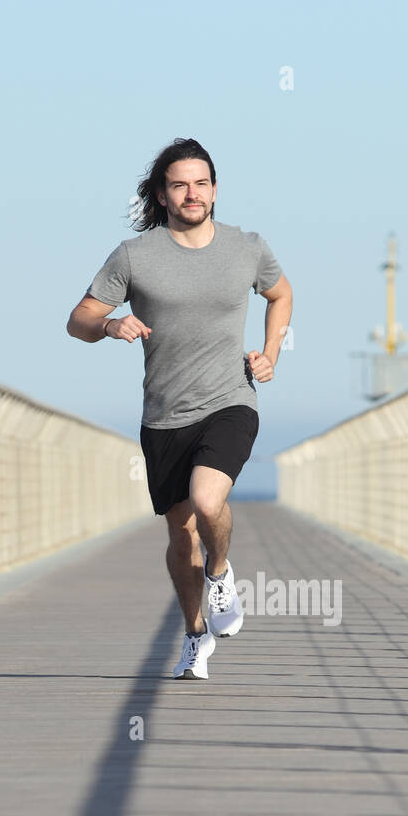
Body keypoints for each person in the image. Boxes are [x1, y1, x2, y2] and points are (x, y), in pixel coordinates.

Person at [66, 137, 293, 679]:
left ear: (214, 190)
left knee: (207, 500)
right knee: (179, 534)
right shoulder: (133, 256)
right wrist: (110, 324)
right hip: (164, 414)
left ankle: (220, 574)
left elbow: (281, 294)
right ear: (163, 196)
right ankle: (194, 637)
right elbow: (77, 320)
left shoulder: (248, 247)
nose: (192, 194)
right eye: (179, 185)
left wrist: (270, 354)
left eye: (201, 183)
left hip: (230, 400)